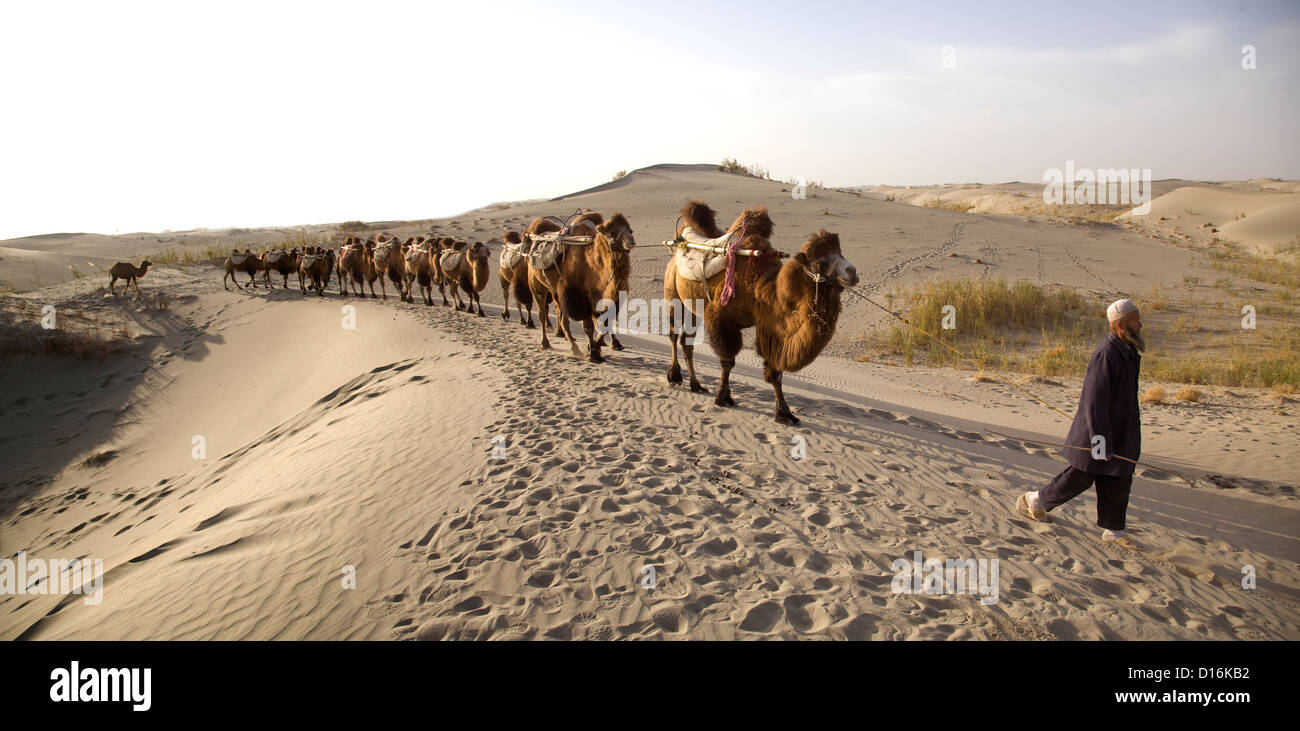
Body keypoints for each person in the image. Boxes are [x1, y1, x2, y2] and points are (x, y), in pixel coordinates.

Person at [1015, 298, 1145, 550]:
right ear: (1120, 324)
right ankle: (1036, 500)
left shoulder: (1127, 351)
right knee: (1080, 477)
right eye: (1134, 320)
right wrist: (1100, 441)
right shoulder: (1106, 354)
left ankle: (1114, 531)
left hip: (1121, 432)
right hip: (1098, 432)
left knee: (1119, 478)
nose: (1140, 325)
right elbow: (1095, 403)